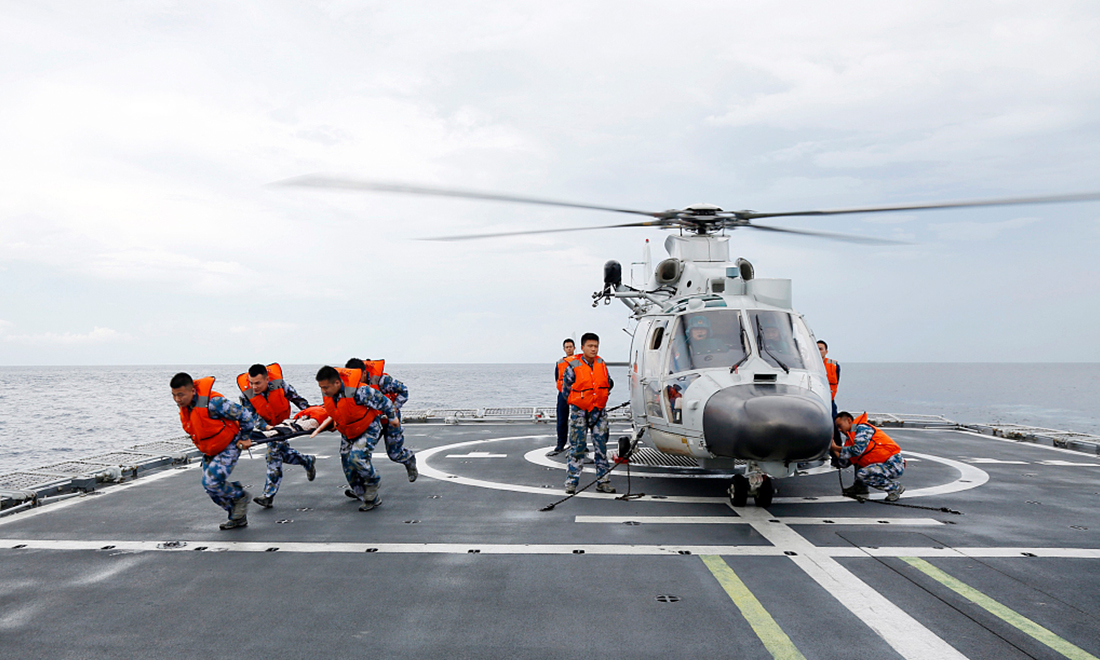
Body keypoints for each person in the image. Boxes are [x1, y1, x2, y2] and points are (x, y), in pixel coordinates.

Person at [171, 372, 268, 530]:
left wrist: (245, 437)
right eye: (174, 395)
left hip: (230, 444)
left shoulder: (213, 403)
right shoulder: (186, 407)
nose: (177, 399)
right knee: (211, 488)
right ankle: (237, 517)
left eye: (181, 395)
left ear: (192, 391)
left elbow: (245, 415)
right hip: (211, 448)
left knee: (211, 482)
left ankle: (240, 496)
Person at [316, 365, 399, 511]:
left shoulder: (360, 391)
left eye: (326, 387)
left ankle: (373, 480)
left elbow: (385, 402)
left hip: (368, 428)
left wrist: (392, 418)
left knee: (357, 457)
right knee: (347, 462)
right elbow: (334, 410)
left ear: (337, 383)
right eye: (321, 387)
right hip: (349, 430)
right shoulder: (330, 393)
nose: (324, 391)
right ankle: (367, 496)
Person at [237, 363, 317, 508]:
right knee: (280, 453)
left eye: (258, 383)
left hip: (284, 423)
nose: (254, 387)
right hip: (267, 426)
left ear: (267, 379)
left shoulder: (280, 384)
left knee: (272, 455)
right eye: (251, 383)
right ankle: (306, 460)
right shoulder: (246, 394)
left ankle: (268, 496)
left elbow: (297, 399)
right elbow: (251, 416)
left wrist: (313, 415)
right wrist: (267, 428)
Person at [345, 358, 417, 482]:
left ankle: (409, 459)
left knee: (395, 454)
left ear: (363, 373)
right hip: (371, 422)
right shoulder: (350, 384)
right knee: (359, 455)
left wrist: (393, 409)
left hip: (390, 421)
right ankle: (362, 489)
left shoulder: (382, 381)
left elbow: (403, 391)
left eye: (357, 376)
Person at [561, 332, 615, 495]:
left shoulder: (601, 364)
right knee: (577, 447)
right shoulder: (574, 366)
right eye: (590, 346)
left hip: (598, 412)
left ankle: (603, 481)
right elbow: (566, 390)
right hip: (580, 413)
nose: (593, 349)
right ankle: (571, 482)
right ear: (583, 347)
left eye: (596, 346)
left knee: (601, 447)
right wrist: (581, 402)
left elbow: (608, 383)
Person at [832, 411, 906, 501]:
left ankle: (894, 487)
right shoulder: (850, 441)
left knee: (862, 474)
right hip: (881, 464)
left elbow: (857, 450)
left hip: (893, 464)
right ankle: (860, 488)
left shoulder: (863, 429)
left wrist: (837, 447)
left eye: (840, 426)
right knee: (859, 464)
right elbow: (844, 464)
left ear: (849, 420)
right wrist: (833, 448)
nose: (839, 430)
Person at [549, 338, 578, 456]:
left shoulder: (578, 361)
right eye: (567, 347)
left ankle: (579, 444)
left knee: (578, 420)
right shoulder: (560, 362)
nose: (569, 349)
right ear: (564, 349)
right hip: (563, 393)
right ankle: (560, 444)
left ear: (574, 348)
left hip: (576, 393)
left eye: (571, 346)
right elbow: (557, 377)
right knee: (561, 419)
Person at [817, 340, 840, 418]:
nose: (818, 351)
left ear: (826, 351)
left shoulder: (834, 365)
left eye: (821, 349)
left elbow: (837, 381)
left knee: (834, 422)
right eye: (816, 349)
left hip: (829, 400)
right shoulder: (806, 364)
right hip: (814, 400)